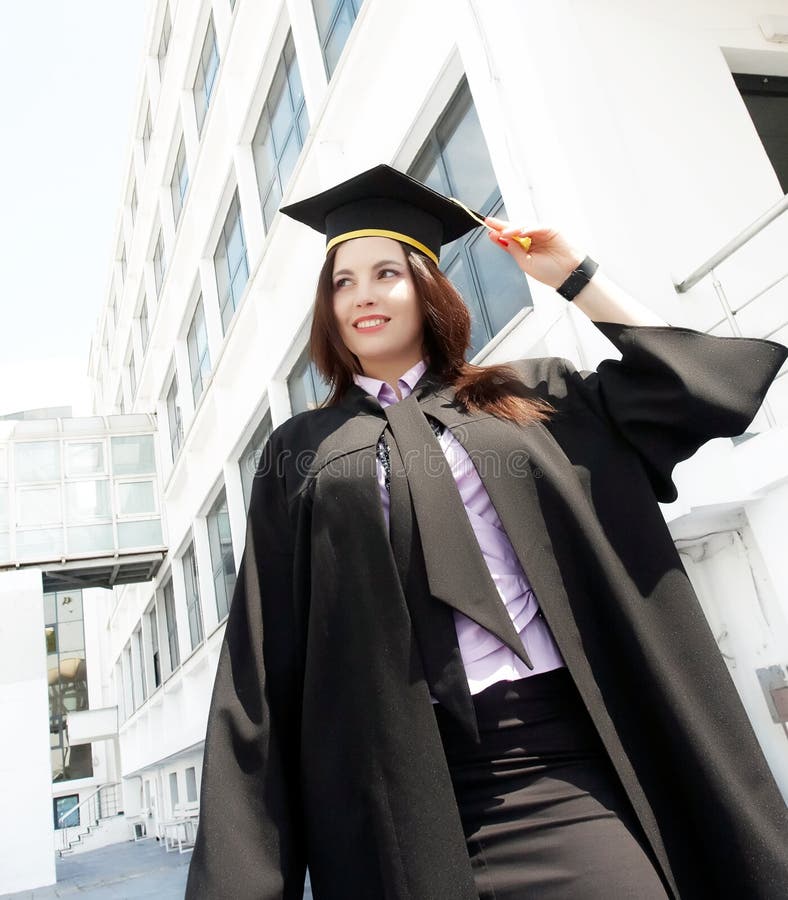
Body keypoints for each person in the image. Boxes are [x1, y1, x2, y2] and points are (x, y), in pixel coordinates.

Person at [186, 165, 788, 900]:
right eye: (342, 282)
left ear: (428, 286)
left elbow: (702, 387)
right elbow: (261, 666)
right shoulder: (300, 451)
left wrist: (574, 276)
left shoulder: (529, 399)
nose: (363, 294)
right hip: (391, 804)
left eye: (385, 273)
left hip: (560, 770)